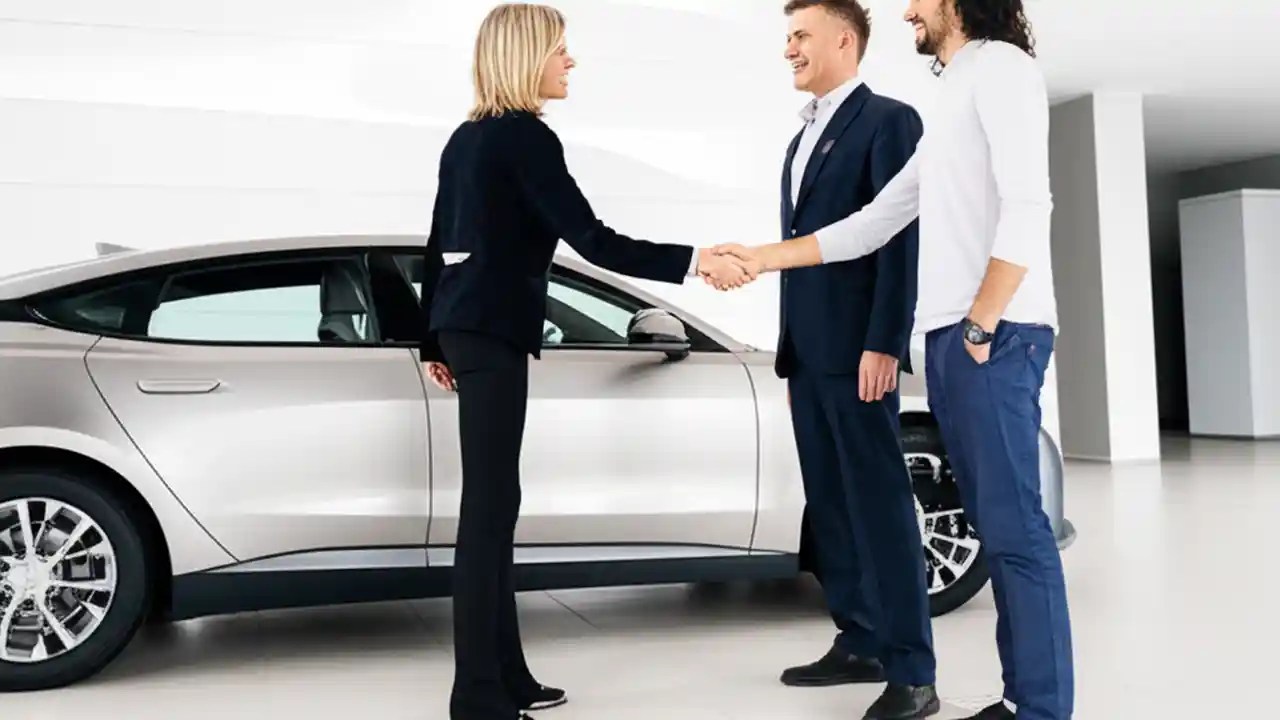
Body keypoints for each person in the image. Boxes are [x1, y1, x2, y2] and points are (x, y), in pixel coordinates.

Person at [716, 1, 1073, 718]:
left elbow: (1030, 204)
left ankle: (1040, 707)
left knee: (1013, 532)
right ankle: (1020, 699)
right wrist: (762, 258)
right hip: (951, 338)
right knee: (997, 528)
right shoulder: (953, 91)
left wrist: (980, 323)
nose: (908, 9)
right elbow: (874, 221)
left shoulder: (1001, 68)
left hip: (991, 337)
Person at [417, 5, 754, 720]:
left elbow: (435, 241)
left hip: (470, 330)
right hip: (490, 332)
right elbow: (594, 242)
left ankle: (505, 676)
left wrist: (431, 338)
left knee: (494, 507)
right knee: (487, 512)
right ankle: (477, 694)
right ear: (526, 57)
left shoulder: (467, 136)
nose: (570, 63)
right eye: (560, 51)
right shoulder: (525, 138)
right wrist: (698, 262)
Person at [764, 2, 938, 719]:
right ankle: (860, 638)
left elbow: (898, 239)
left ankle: (913, 673)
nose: (789, 51)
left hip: (857, 351)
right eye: (787, 38)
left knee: (879, 508)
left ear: (843, 39)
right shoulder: (801, 135)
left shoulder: (891, 121)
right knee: (830, 506)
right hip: (806, 355)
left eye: (800, 36)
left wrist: (884, 343)